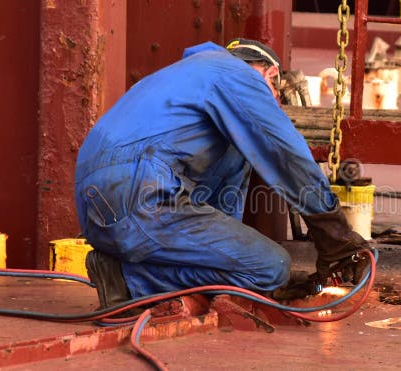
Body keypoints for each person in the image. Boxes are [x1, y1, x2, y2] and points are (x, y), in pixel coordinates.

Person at [74, 38, 368, 309]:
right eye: (276, 99)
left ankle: (123, 273)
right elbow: (285, 154)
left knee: (255, 265)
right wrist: (334, 234)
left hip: (99, 209)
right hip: (142, 194)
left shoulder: (187, 77)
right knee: (271, 266)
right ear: (270, 75)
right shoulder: (237, 75)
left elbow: (217, 213)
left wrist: (240, 266)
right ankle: (129, 280)